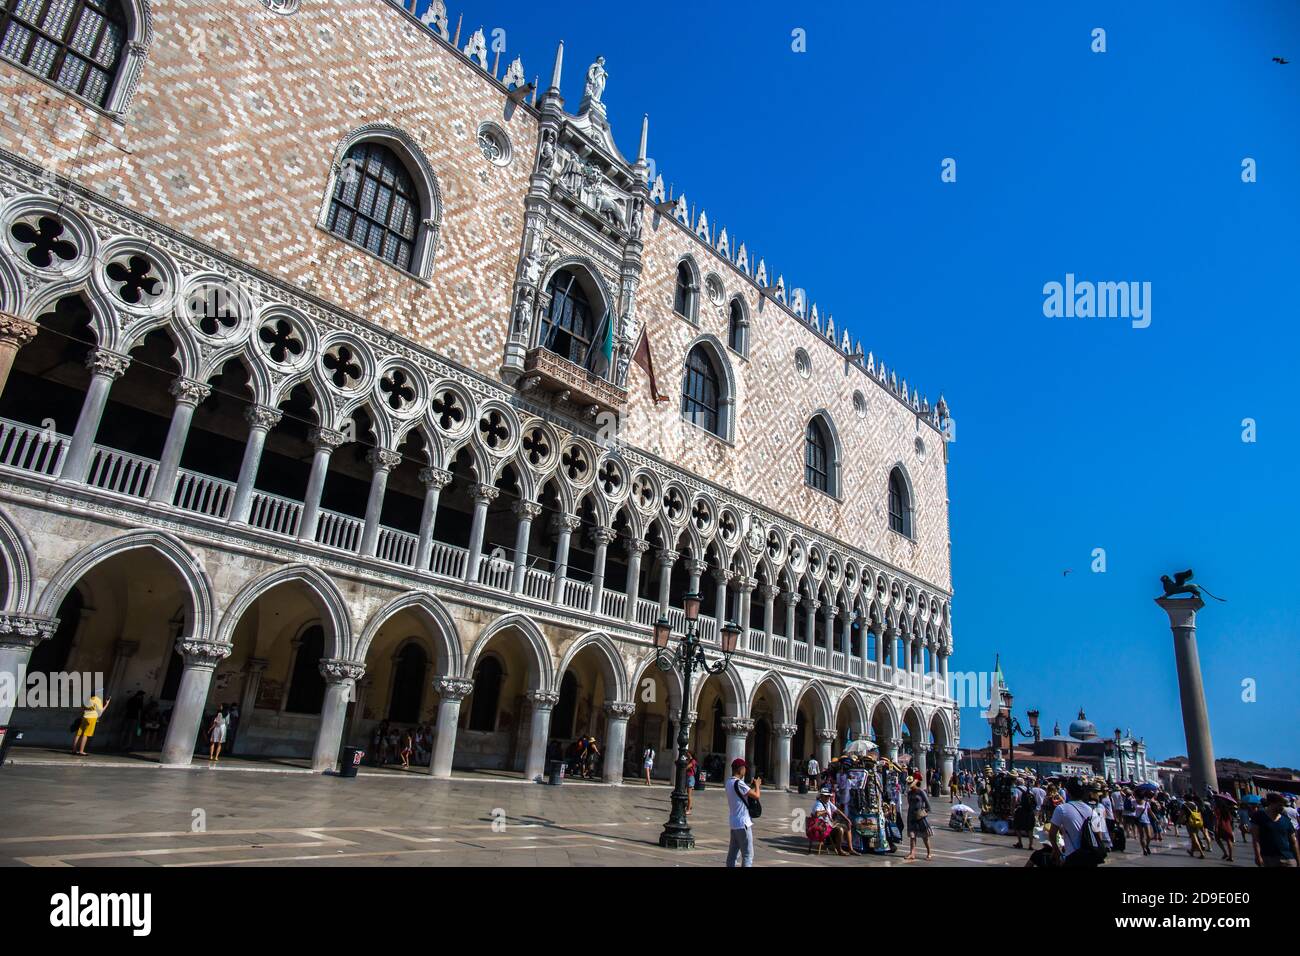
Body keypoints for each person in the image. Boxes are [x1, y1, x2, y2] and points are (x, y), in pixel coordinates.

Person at [1047, 778, 1109, 867]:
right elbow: (1099, 836)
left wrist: (1057, 853)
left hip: (1073, 856)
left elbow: (1052, 835)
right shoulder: (1092, 811)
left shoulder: (1061, 809)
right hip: (1091, 856)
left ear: (1068, 792)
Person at [725, 757, 759, 867]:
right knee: (748, 855)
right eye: (744, 768)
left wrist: (752, 786)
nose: (745, 771)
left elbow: (742, 795)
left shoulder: (729, 782)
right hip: (743, 823)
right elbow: (756, 795)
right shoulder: (739, 783)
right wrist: (757, 785)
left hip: (734, 823)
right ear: (740, 769)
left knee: (733, 855)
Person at [1250, 792, 1299, 867]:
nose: (1282, 807)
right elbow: (1256, 839)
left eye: (1283, 805)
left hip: (1288, 858)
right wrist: (1258, 856)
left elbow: (1293, 842)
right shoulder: (1259, 816)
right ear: (1271, 804)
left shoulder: (1286, 820)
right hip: (1269, 858)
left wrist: (1298, 860)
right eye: (1279, 805)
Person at [905, 778, 933, 861]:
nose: (910, 785)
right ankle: (912, 853)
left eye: (911, 783)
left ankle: (929, 853)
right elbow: (909, 803)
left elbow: (928, 805)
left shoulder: (921, 792)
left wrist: (923, 812)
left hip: (920, 816)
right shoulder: (909, 793)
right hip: (911, 815)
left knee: (925, 836)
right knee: (912, 835)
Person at [1013, 781, 1037, 850]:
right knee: (1030, 829)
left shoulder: (1017, 790)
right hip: (1030, 812)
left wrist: (1013, 809)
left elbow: (1015, 799)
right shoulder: (1031, 792)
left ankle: (1020, 842)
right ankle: (1030, 845)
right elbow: (1034, 802)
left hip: (1021, 811)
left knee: (1017, 827)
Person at [1212, 797, 1236, 862]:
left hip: (1220, 826)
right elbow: (1230, 819)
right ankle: (1231, 856)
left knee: (1217, 839)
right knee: (1228, 840)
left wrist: (1216, 827)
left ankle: (1225, 852)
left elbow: (1217, 819)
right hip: (1228, 826)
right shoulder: (1226, 809)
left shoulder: (1217, 809)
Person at [684, 751, 697, 815]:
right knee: (686, 794)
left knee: (689, 795)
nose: (686, 755)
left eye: (687, 754)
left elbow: (687, 767)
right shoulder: (689, 760)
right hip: (687, 777)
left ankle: (688, 810)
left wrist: (685, 762)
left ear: (690, 754)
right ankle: (689, 806)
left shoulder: (693, 761)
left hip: (690, 778)